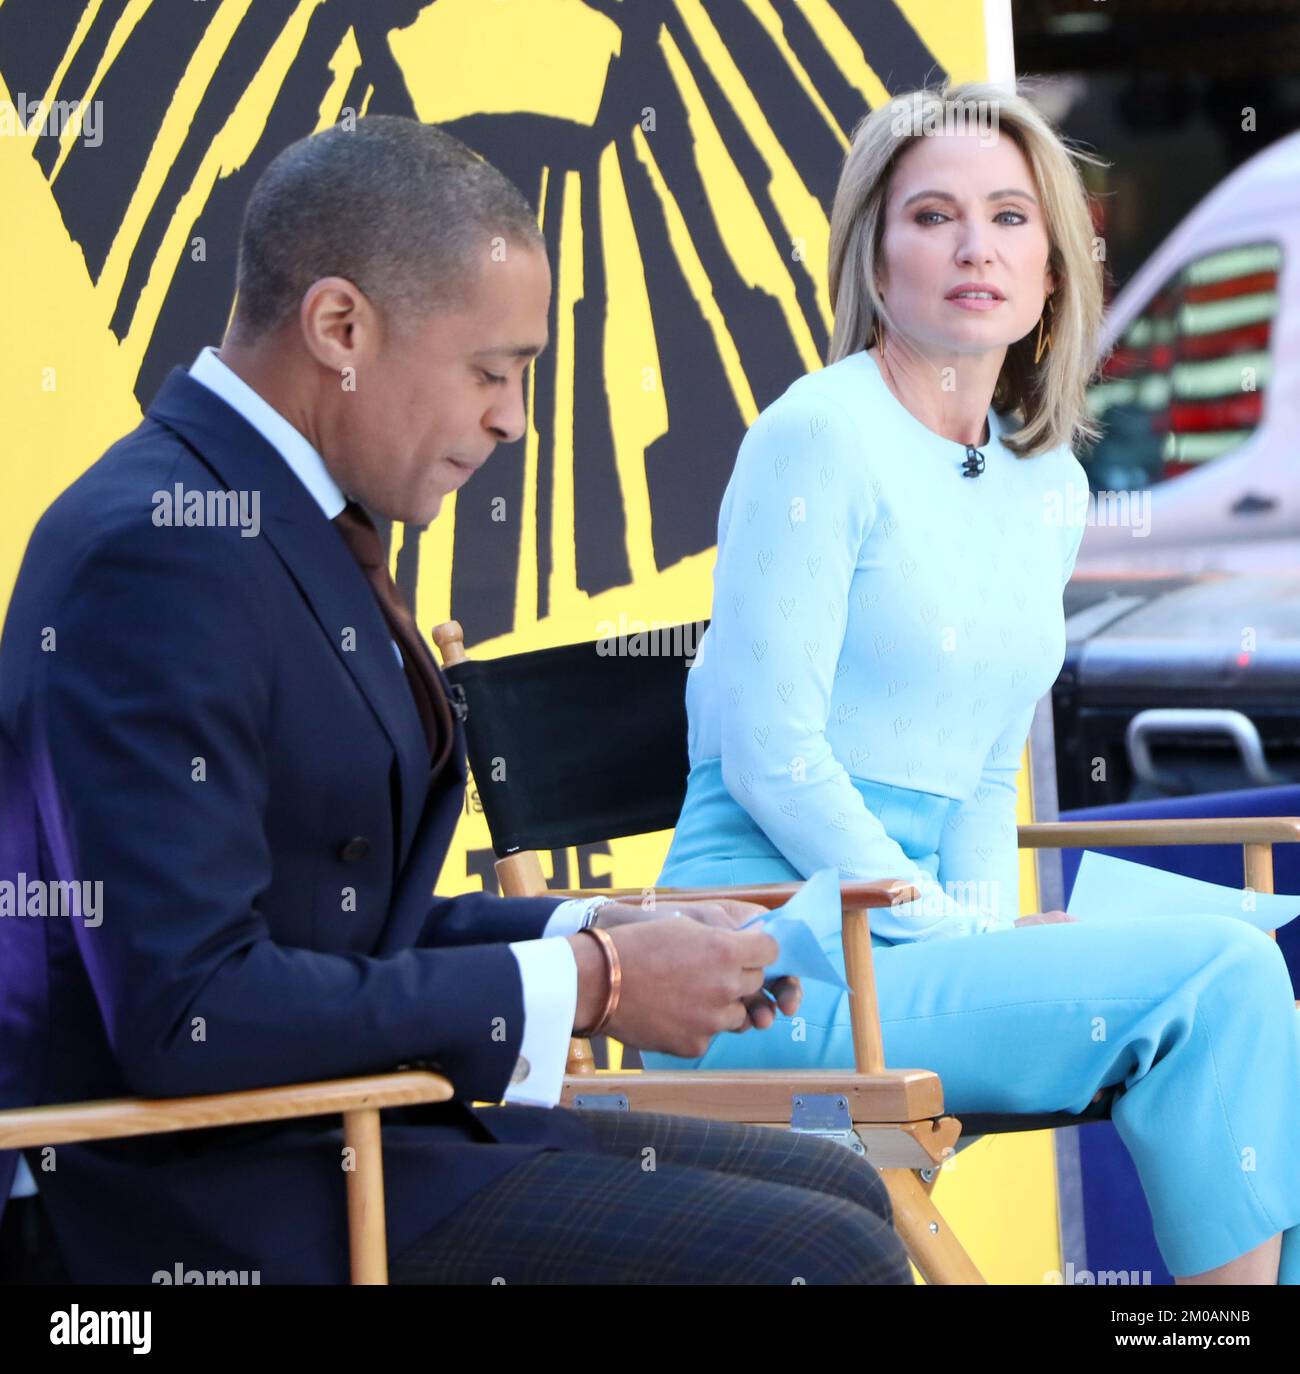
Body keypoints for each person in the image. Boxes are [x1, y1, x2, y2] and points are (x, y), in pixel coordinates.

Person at [0, 115, 911, 1286]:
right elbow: (194, 1012)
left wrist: (586, 933)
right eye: (493, 371)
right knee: (815, 1254)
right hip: (186, 1208)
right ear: (340, 327)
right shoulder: (158, 553)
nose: (512, 421)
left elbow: (322, 932)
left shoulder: (272, 517)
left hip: (342, 1136)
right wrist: (594, 987)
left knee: (840, 1184)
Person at [644, 81, 1300, 1286]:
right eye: (931, 215)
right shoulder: (815, 436)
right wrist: (933, 921)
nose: (973, 247)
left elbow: (986, 765)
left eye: (1008, 217)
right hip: (767, 954)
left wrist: (980, 930)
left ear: (1054, 268)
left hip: (911, 944)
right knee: (1225, 973)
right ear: (874, 260)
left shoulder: (1045, 485)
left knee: (1254, 956)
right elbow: (772, 752)